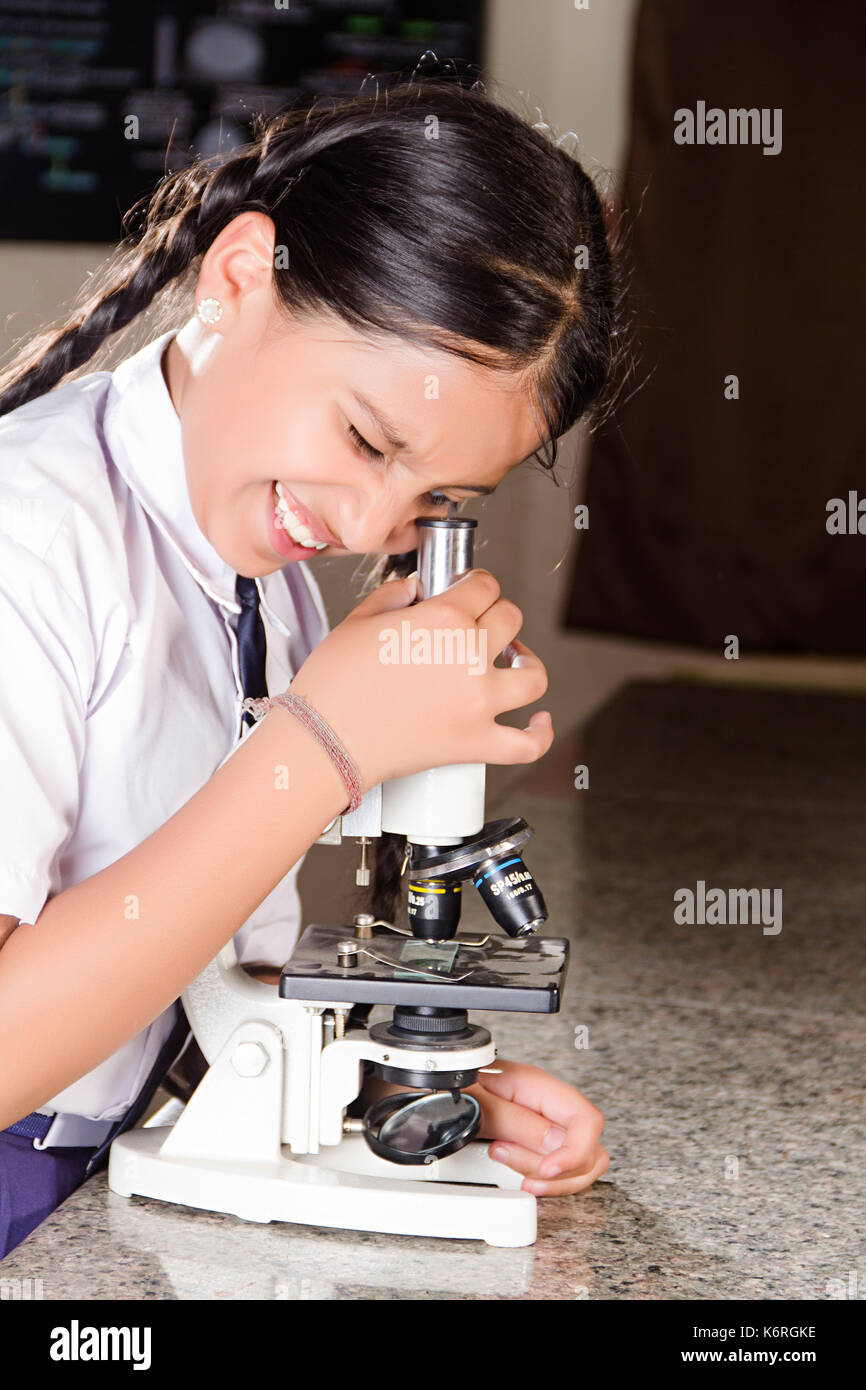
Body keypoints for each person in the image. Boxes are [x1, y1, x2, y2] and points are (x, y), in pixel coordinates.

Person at [0, 77, 619, 1260]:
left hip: (96, 1172)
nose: (364, 521)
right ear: (238, 277)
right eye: (366, 439)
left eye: (436, 499)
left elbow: (193, 975)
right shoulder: (27, 540)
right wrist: (322, 746)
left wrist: (395, 1087)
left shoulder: (257, 570)